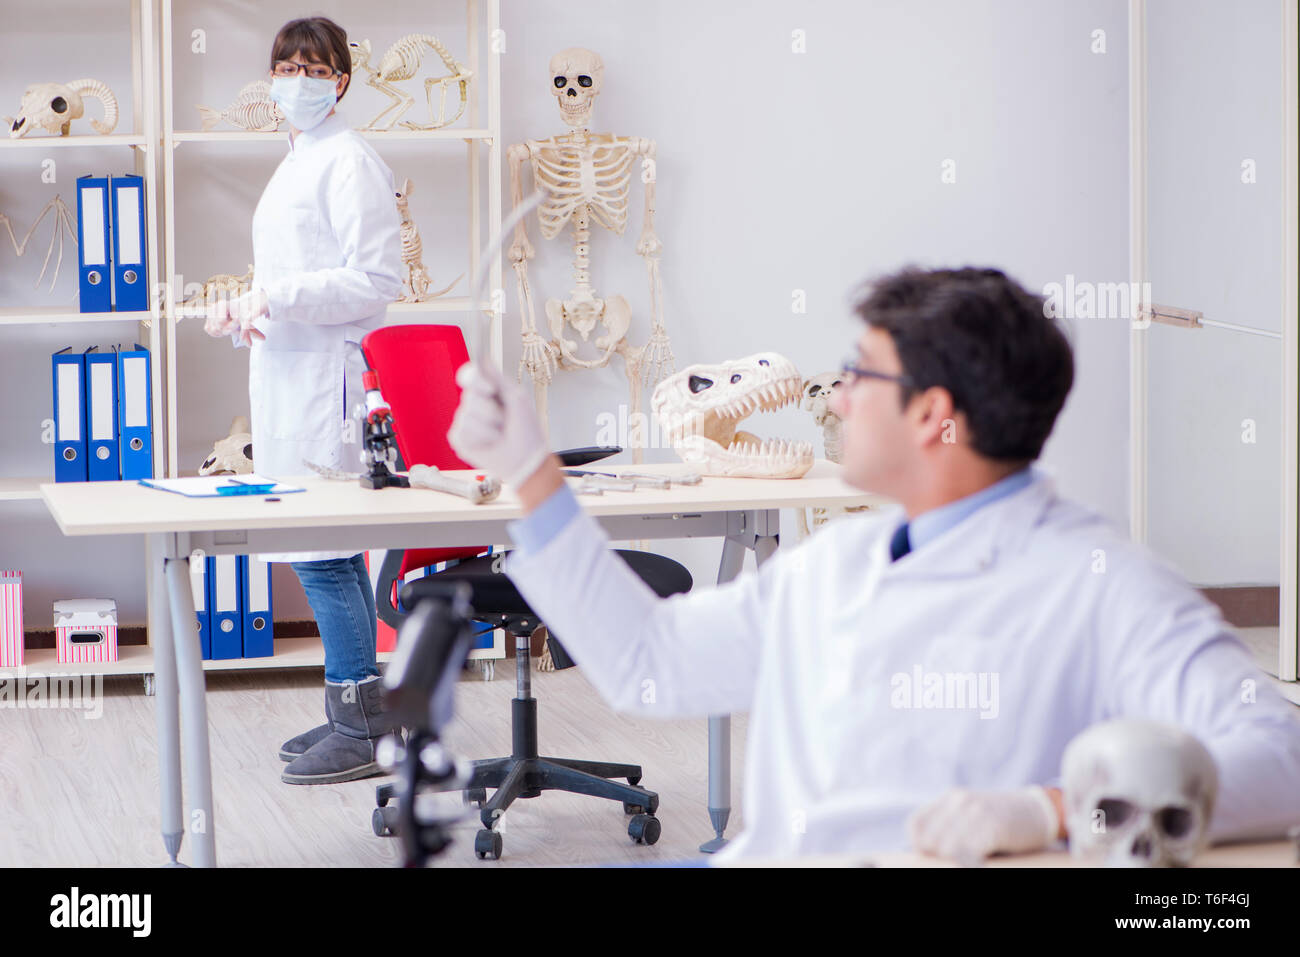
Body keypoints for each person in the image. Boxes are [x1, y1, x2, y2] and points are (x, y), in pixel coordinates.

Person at [447, 265, 1300, 861]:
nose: (839, 394)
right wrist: (535, 478)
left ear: (933, 414)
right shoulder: (843, 557)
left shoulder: (1100, 584)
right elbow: (651, 664)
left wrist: (1052, 812)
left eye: (860, 373)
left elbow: (1281, 756)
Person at [204, 16, 404, 785]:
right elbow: (291, 278)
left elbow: (376, 281)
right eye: (284, 66)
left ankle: (358, 724)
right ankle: (356, 713)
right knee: (331, 549)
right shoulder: (295, 160)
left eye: (312, 69)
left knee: (322, 556)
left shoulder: (349, 159)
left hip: (327, 379)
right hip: (288, 371)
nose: (296, 80)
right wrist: (249, 311)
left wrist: (275, 295)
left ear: (341, 81)